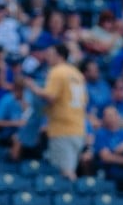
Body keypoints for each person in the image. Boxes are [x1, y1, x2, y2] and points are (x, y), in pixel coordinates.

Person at [29, 43, 87, 180]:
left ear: (59, 56)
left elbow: (50, 96)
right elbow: (85, 100)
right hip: (78, 128)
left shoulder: (57, 71)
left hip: (62, 128)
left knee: (64, 173)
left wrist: (33, 87)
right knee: (69, 168)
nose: (47, 58)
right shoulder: (77, 74)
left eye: (50, 55)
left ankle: (71, 193)